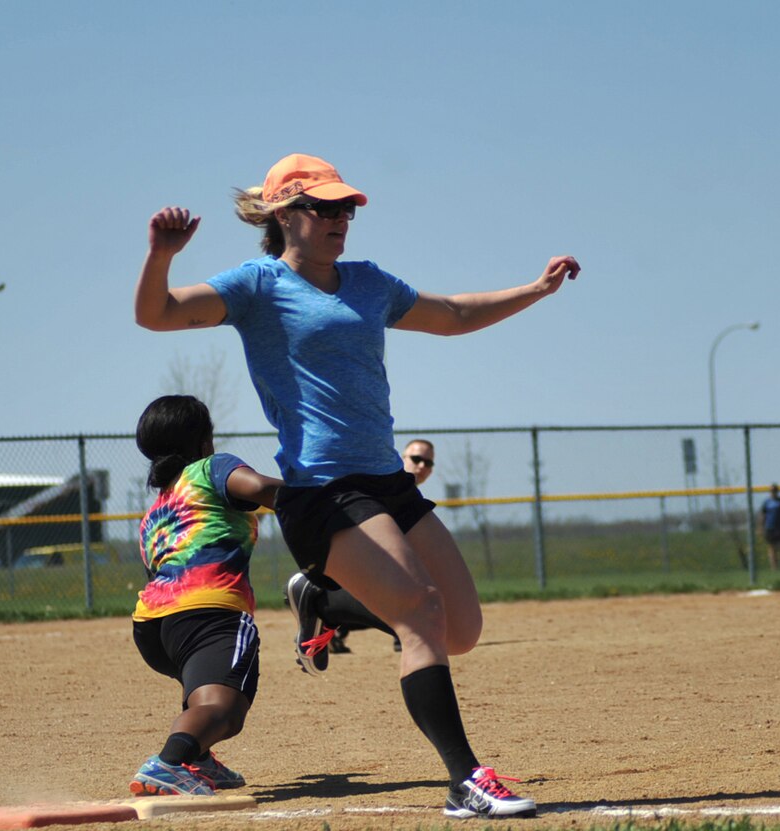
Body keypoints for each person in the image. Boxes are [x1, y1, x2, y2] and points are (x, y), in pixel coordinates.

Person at [133, 153, 580, 818]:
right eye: (324, 207)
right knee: (420, 613)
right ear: (285, 214)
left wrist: (536, 289)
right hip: (324, 490)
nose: (340, 217)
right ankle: (465, 781)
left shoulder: (368, 282)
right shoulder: (257, 286)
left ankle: (327, 601)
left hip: (387, 482)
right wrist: (161, 256)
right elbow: (158, 313)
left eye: (346, 207)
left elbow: (454, 314)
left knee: (461, 628)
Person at [129, 395, 283, 797]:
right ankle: (170, 762)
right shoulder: (210, 468)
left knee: (205, 690)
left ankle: (198, 757)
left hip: (153, 628)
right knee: (225, 709)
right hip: (210, 612)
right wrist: (322, 498)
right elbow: (260, 488)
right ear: (203, 441)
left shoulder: (157, 511)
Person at [315, 438, 437, 656]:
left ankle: (334, 621)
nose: (421, 466)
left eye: (428, 463)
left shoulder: (410, 499)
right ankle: (324, 609)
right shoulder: (383, 489)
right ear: (402, 458)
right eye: (416, 459)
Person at [759, 483, 780, 571]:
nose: (773, 492)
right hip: (770, 527)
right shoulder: (767, 502)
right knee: (772, 548)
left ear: (777, 491)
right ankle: (774, 568)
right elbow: (763, 516)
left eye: (775, 490)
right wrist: (761, 527)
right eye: (771, 491)